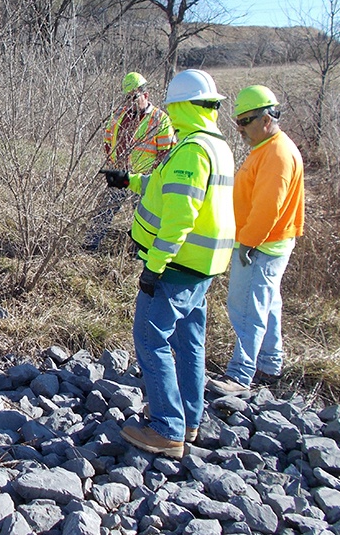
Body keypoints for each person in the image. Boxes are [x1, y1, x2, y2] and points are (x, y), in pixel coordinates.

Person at [102, 69, 236, 459]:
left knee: (150, 337)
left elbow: (180, 216)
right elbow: (165, 186)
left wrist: (154, 267)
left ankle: (166, 428)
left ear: (179, 105)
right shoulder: (215, 145)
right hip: (203, 266)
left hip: (177, 265)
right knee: (189, 342)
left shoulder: (191, 150)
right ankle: (189, 419)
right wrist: (129, 181)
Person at [206, 85, 305, 398]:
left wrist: (248, 242)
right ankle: (269, 365)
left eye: (245, 121)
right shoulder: (267, 148)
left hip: (260, 246)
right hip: (267, 243)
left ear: (267, 118)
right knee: (267, 304)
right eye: (238, 122)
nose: (240, 129)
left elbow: (268, 207)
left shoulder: (277, 154)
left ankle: (240, 374)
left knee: (247, 308)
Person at [82, 72, 176, 251]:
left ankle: (139, 251)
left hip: (144, 179)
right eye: (126, 98)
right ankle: (89, 246)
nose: (129, 102)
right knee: (104, 211)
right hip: (121, 174)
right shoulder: (118, 115)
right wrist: (114, 164)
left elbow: (167, 153)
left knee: (145, 219)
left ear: (145, 95)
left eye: (133, 97)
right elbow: (108, 140)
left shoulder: (160, 119)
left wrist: (153, 177)